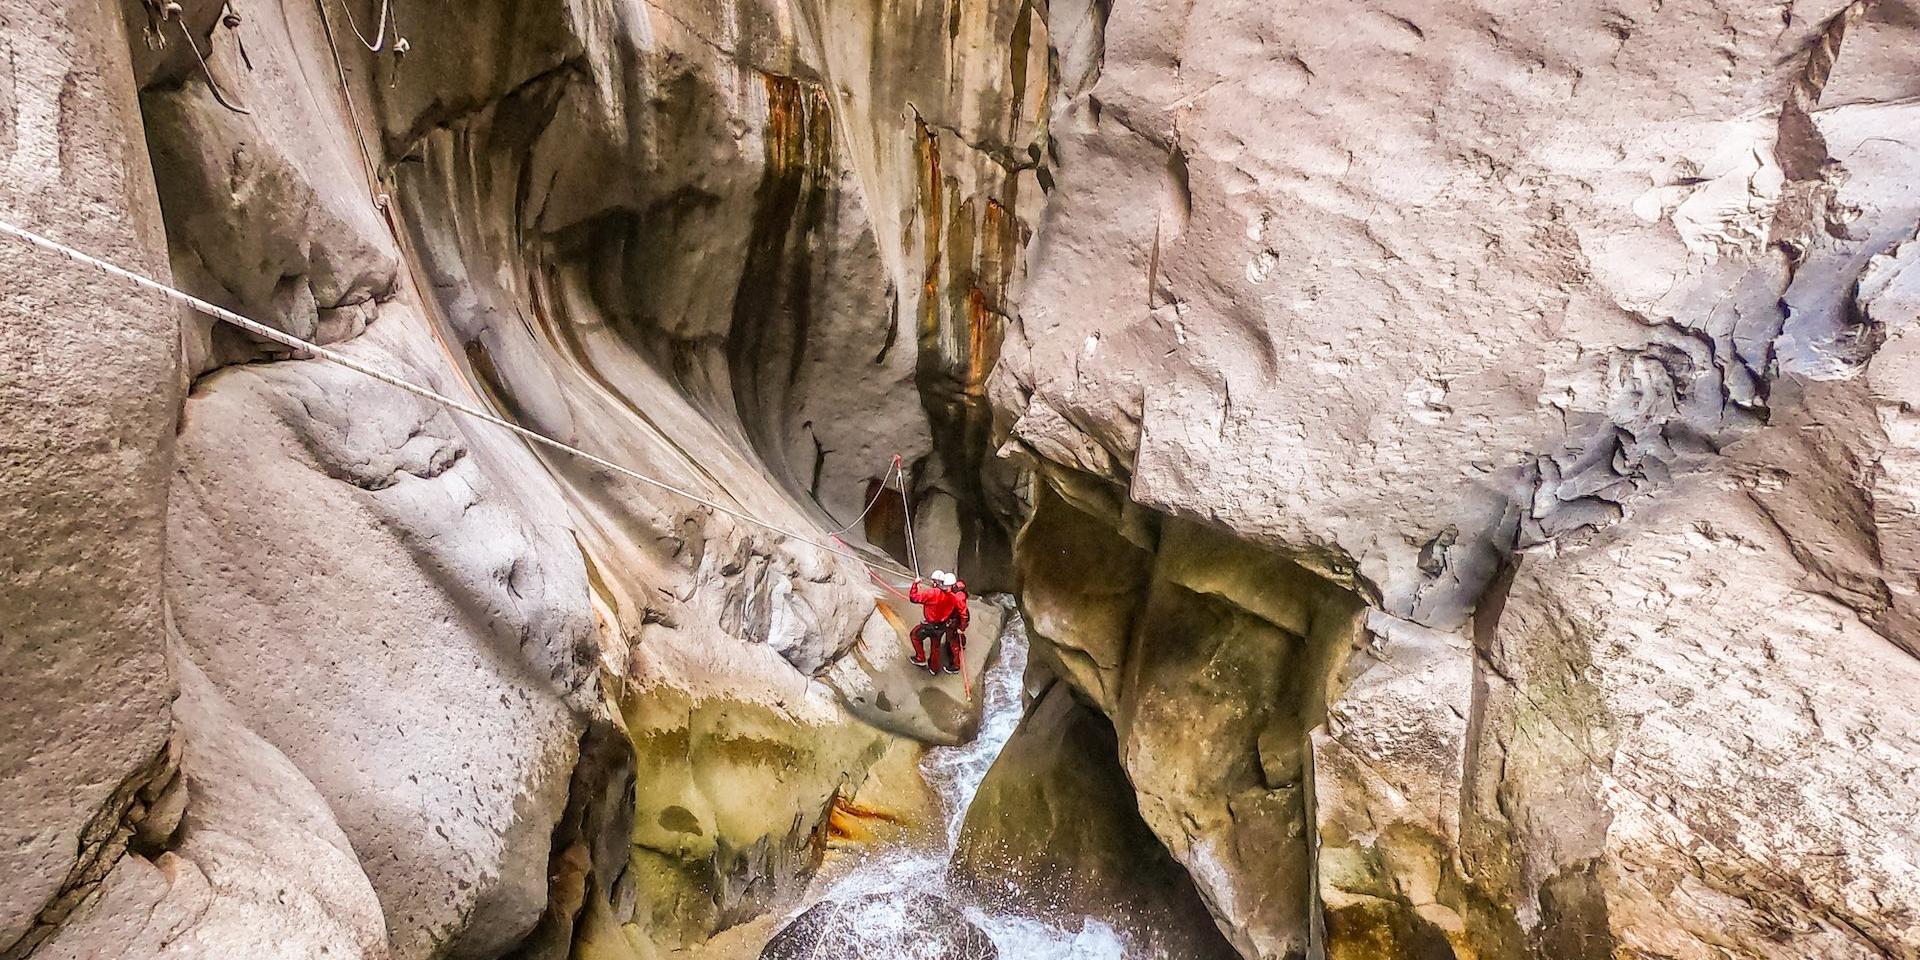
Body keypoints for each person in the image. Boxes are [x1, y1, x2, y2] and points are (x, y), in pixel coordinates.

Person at [908, 570, 969, 675]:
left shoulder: (933, 593)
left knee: (915, 635)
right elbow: (962, 612)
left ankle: (920, 658)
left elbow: (913, 598)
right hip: (942, 625)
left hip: (931, 624)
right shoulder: (954, 597)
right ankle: (934, 668)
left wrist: (915, 584)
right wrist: (962, 626)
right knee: (935, 646)